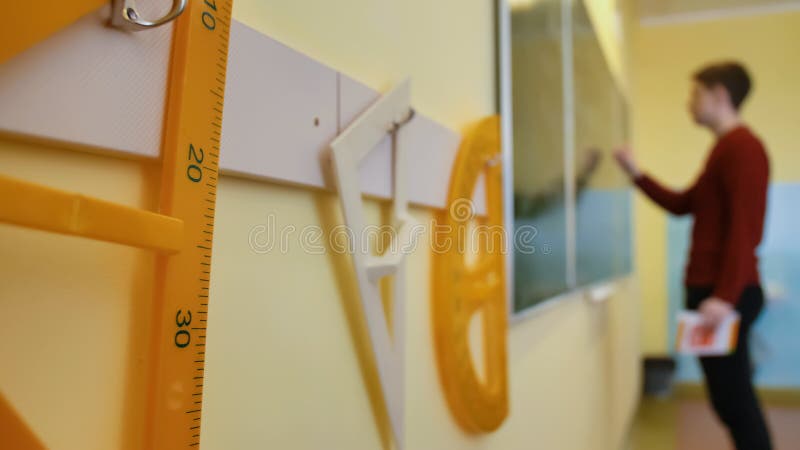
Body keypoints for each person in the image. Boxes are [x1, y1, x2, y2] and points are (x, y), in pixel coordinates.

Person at [614, 62, 772, 450]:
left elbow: (745, 229)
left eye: (696, 94)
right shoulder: (723, 150)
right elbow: (684, 204)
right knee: (729, 401)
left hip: (723, 297)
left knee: (735, 403)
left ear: (720, 96)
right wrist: (636, 174)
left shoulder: (743, 148)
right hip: (714, 295)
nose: (690, 102)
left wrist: (725, 297)